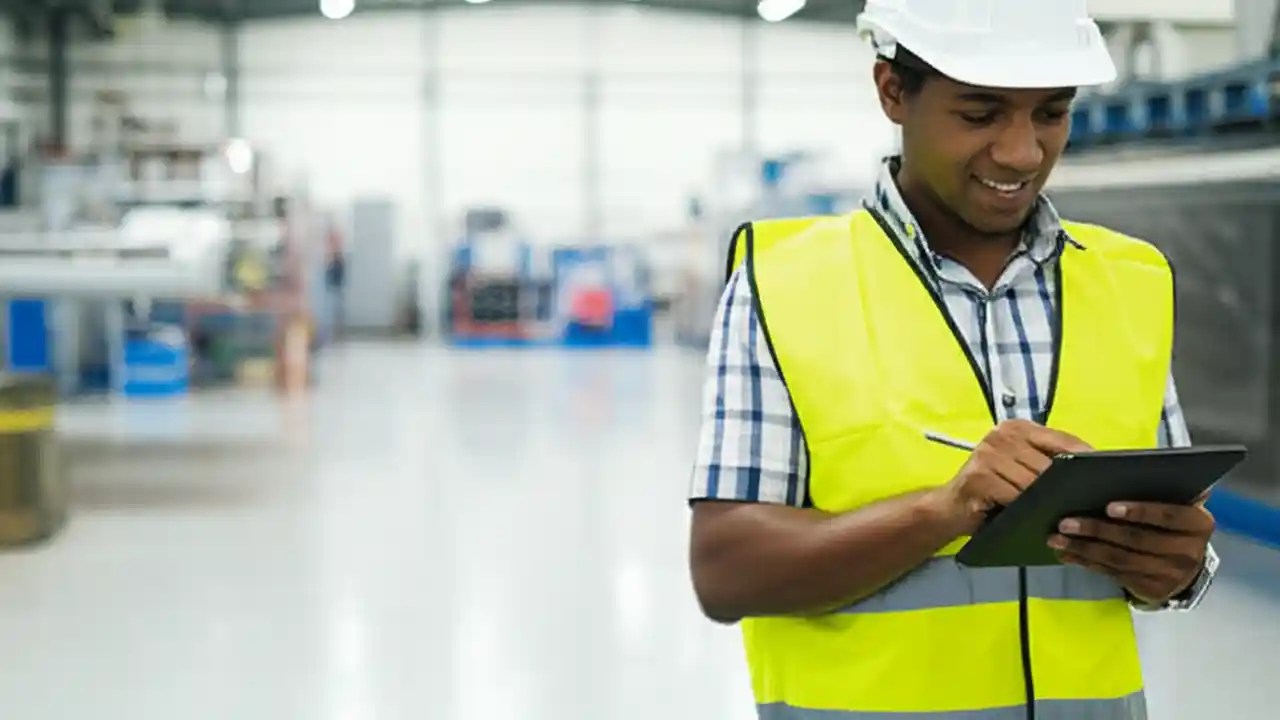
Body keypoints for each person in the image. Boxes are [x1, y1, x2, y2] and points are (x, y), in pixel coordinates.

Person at [687, 1, 1217, 719]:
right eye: (980, 114)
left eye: (1052, 113)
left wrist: (1178, 569)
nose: (1022, 152)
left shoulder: (1132, 281)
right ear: (892, 91)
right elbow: (727, 571)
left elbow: (1169, 544)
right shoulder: (784, 283)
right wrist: (945, 510)